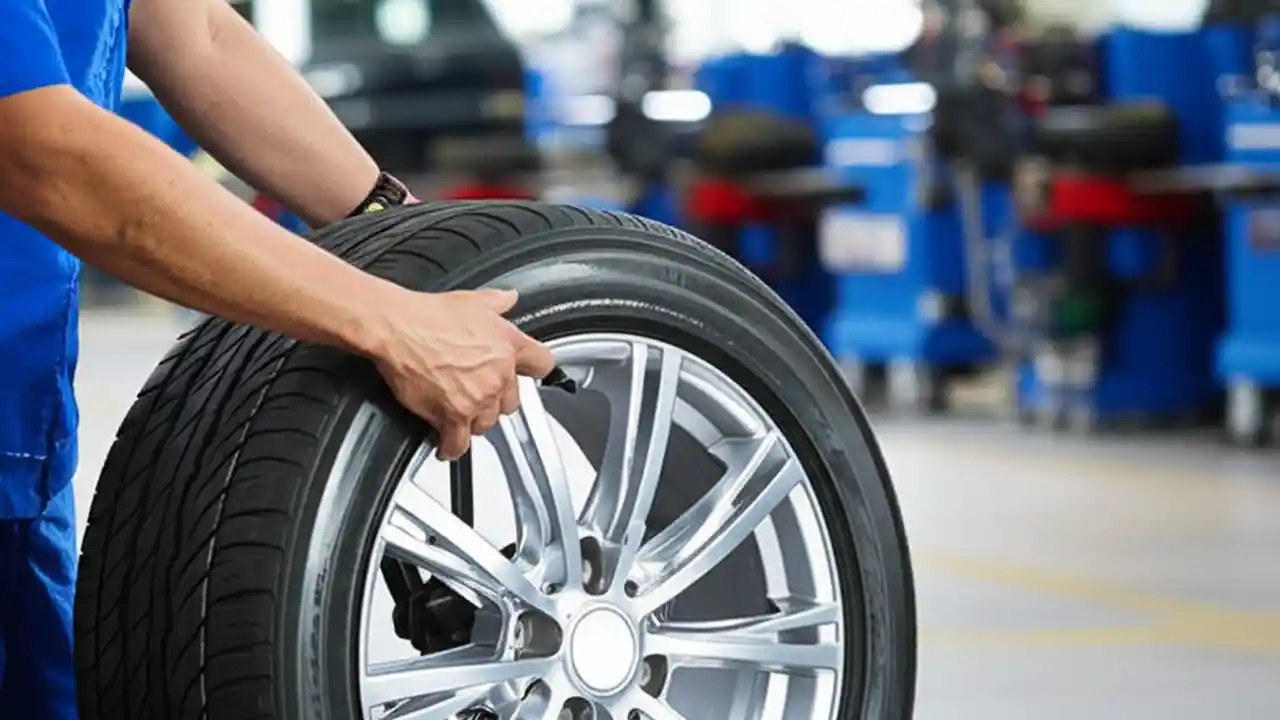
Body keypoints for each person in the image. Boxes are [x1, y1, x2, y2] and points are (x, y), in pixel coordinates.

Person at [0, 1, 556, 716]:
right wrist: (385, 319)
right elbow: (40, 147)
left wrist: (398, 235)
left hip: (21, 455)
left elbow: (194, 33)